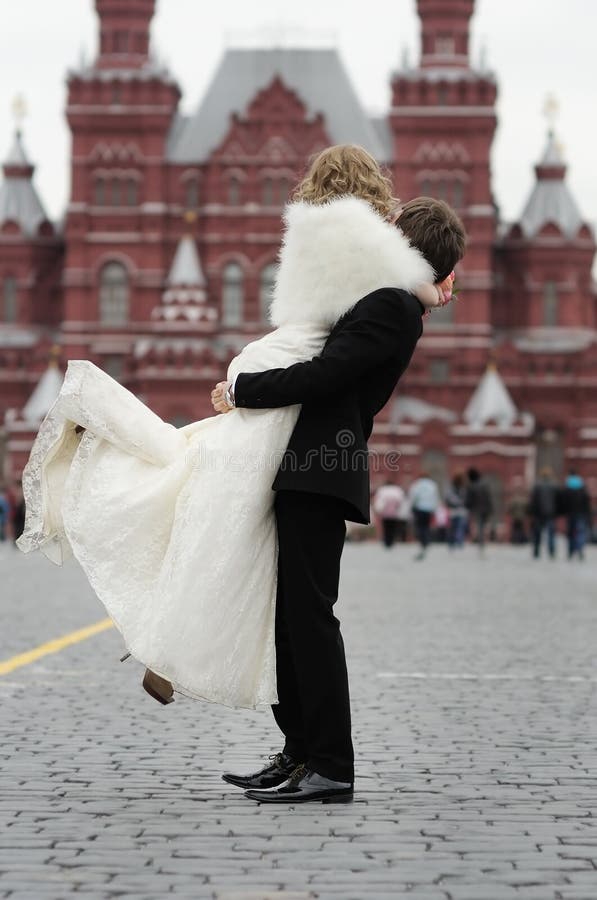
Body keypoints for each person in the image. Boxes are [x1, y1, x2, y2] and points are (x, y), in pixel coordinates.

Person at [20, 145, 465, 803]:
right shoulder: (393, 301)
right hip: (304, 466)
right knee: (287, 618)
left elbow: (325, 373)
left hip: (320, 467)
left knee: (310, 619)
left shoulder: (390, 308)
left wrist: (244, 390)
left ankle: (330, 765)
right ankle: (299, 751)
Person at [407, 472, 441, 560]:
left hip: (419, 508)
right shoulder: (433, 485)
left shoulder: (416, 484)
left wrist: (411, 507)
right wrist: (435, 508)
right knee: (426, 525)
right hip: (429, 509)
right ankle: (426, 540)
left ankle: (423, 541)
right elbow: (436, 497)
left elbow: (413, 496)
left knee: (420, 526)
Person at [527, 466, 558, 559]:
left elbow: (533, 501)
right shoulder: (554, 485)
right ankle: (551, 552)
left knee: (537, 534)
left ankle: (536, 551)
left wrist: (531, 512)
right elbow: (558, 500)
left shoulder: (537, 485)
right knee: (551, 534)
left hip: (538, 514)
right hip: (551, 513)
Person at [560, 471, 591, 560]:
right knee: (580, 532)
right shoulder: (582, 489)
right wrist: (587, 514)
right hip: (581, 514)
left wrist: (563, 512)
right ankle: (580, 549)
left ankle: (571, 550)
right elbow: (586, 503)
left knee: (570, 533)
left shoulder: (567, 488)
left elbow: (564, 503)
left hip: (570, 514)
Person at [465, 468, 493, 553]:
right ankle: (481, 543)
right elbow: (489, 498)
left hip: (477, 509)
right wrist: (491, 509)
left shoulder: (472, 486)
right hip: (486, 509)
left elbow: (469, 500)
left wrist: (468, 507)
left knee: (479, 526)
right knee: (482, 526)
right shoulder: (484, 484)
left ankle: (480, 543)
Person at [373, 479, 406, 548]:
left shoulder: (382, 490)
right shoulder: (397, 490)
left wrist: (378, 510)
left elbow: (379, 501)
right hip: (394, 512)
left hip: (385, 512)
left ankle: (387, 541)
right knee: (393, 528)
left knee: (386, 527)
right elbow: (401, 500)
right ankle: (391, 541)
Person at [445, 472, 468, 549]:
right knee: (460, 527)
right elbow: (466, 499)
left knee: (453, 527)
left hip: (453, 511)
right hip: (462, 511)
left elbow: (447, 498)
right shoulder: (464, 488)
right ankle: (459, 542)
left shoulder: (451, 487)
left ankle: (452, 543)